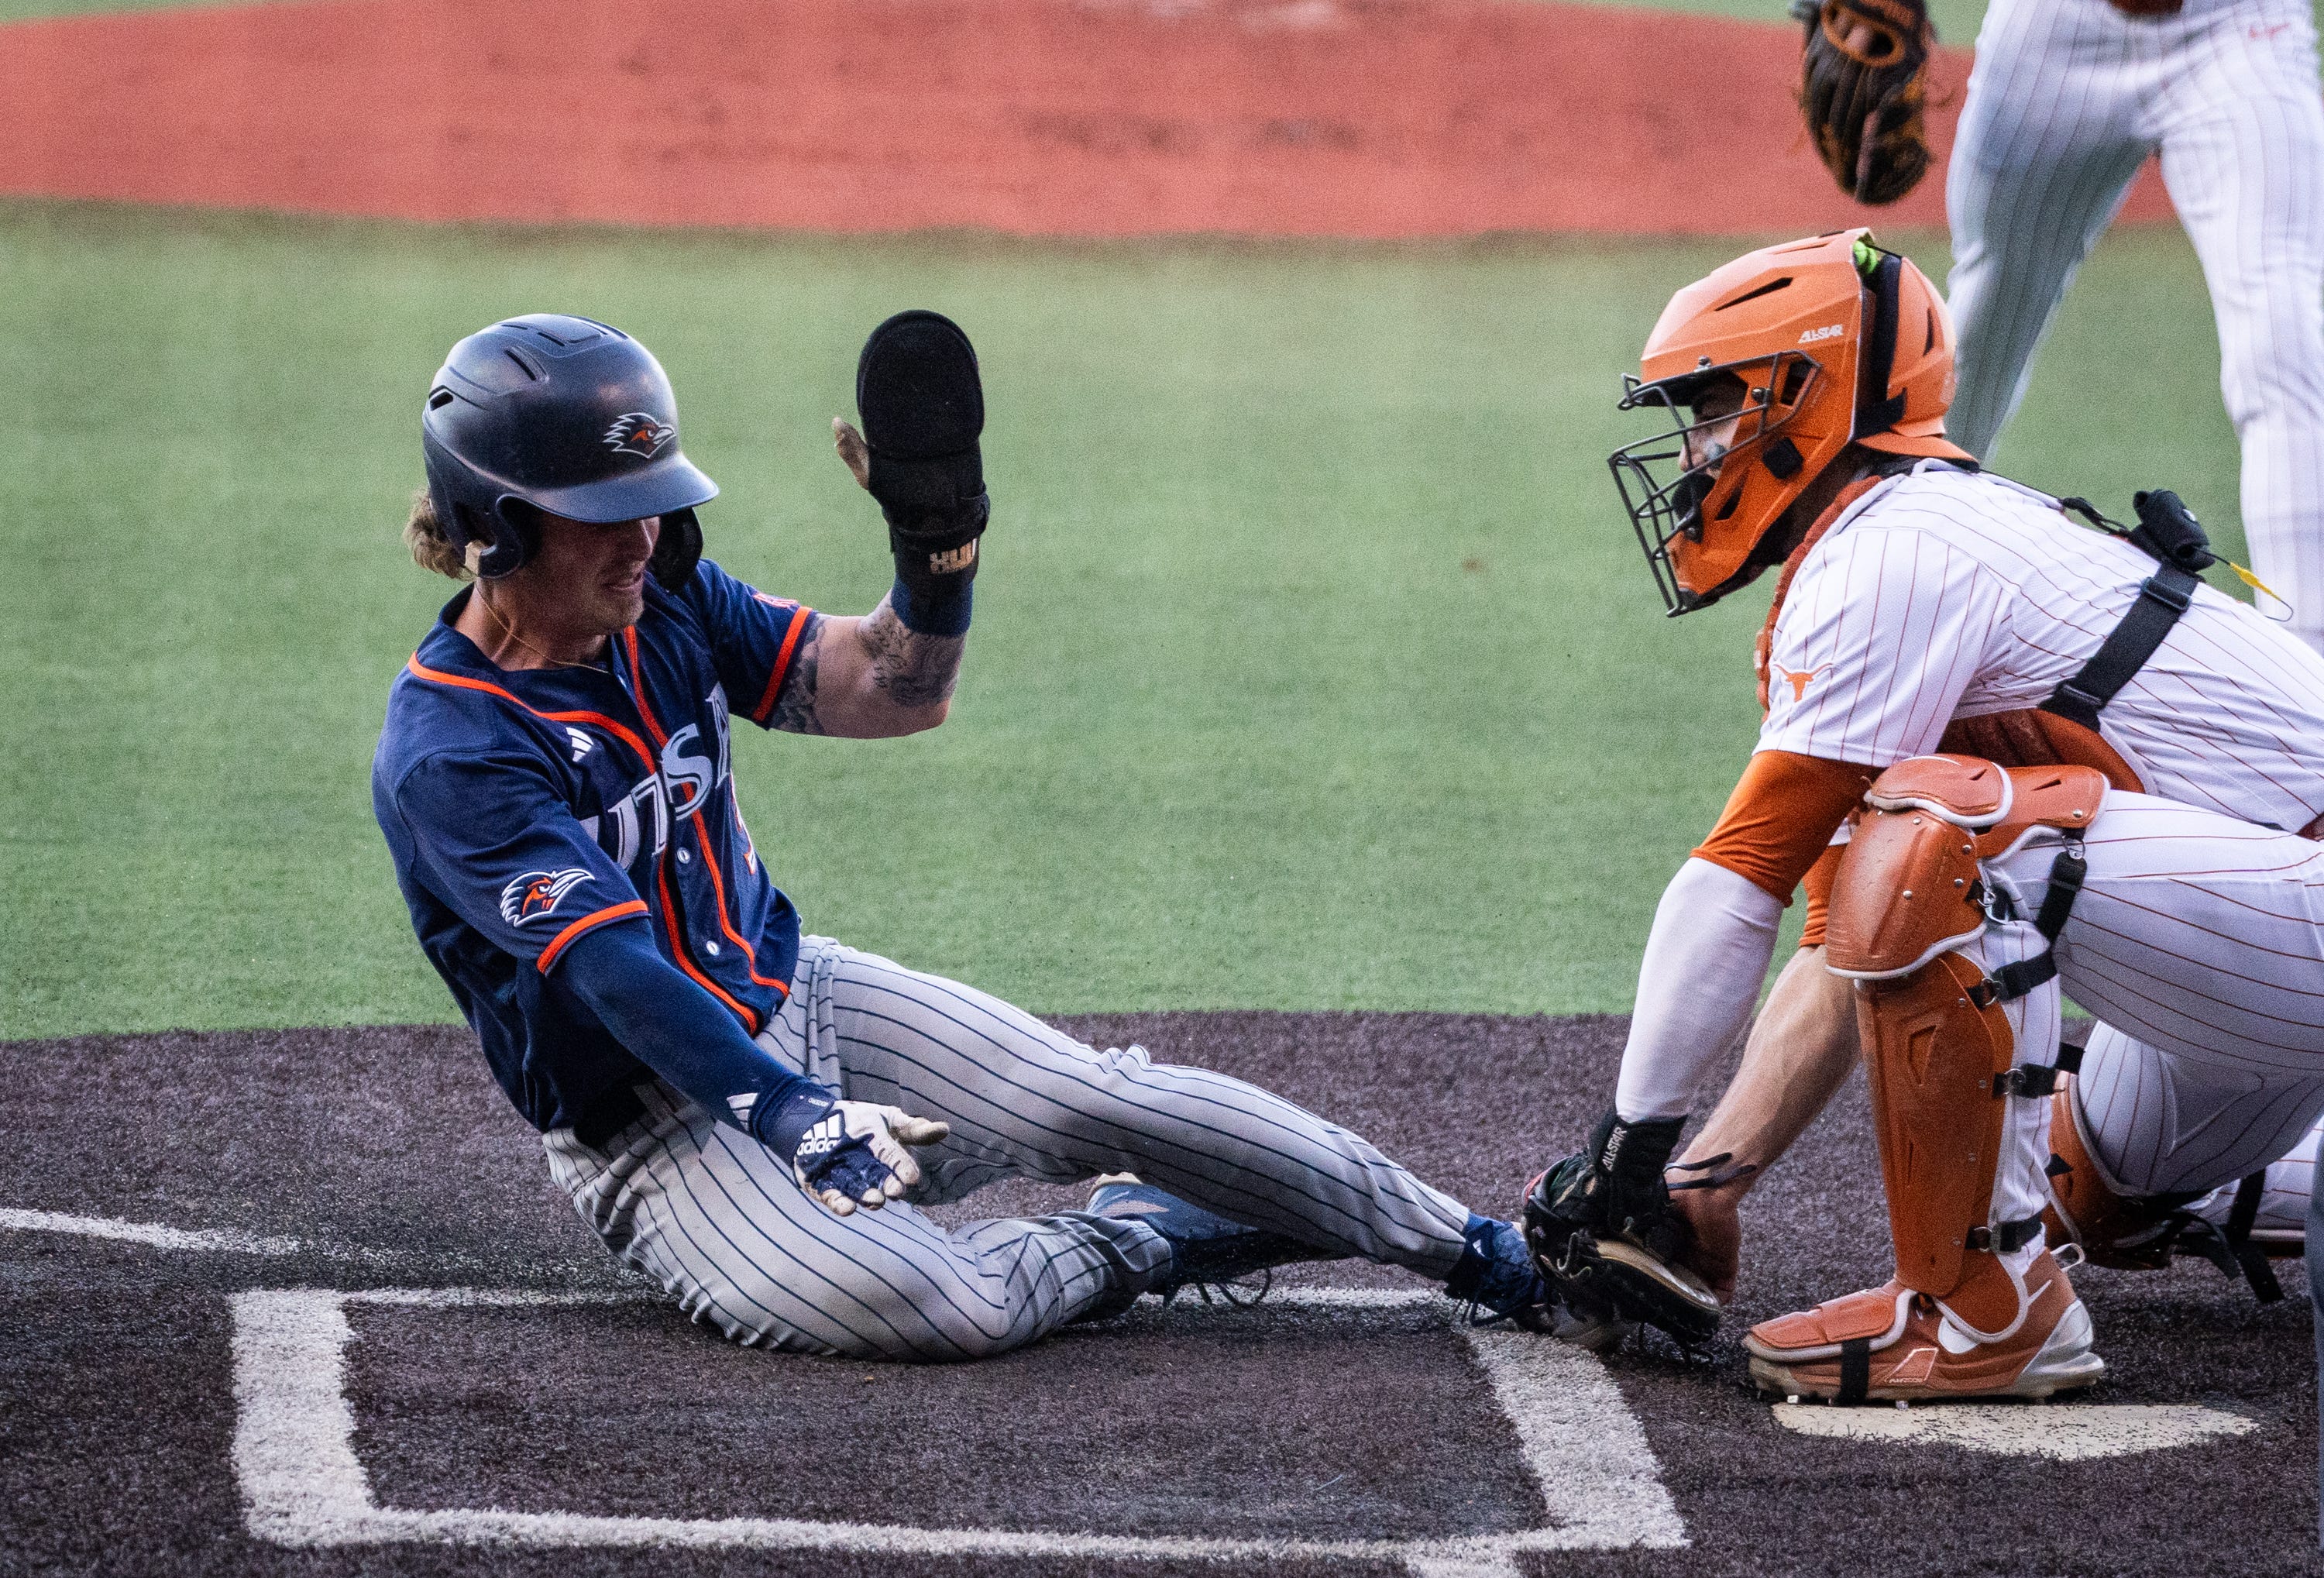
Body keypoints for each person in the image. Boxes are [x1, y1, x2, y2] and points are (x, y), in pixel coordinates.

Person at [372, 311, 1549, 1360]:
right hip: (661, 1121)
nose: (646, 539)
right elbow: (611, 969)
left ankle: (1494, 1253)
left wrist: (934, 557)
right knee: (929, 1301)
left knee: (1097, 1100)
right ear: (494, 529)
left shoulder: (662, 599)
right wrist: (791, 1110)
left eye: (654, 504)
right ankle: (1133, 1241)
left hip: (802, 990)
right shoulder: (453, 747)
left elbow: (892, 689)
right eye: (606, 517)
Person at [1522, 230, 2324, 1402]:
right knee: (2074, 1174)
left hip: (2299, 923)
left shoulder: (1892, 551)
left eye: (1712, 410)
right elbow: (1845, 936)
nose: (1691, 453)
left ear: (1802, 397)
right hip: (2279, 930)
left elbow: (1739, 873)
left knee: (1960, 837)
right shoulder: (1920, 533)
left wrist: (1628, 1141)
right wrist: (1702, 1178)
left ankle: (1982, 1317)